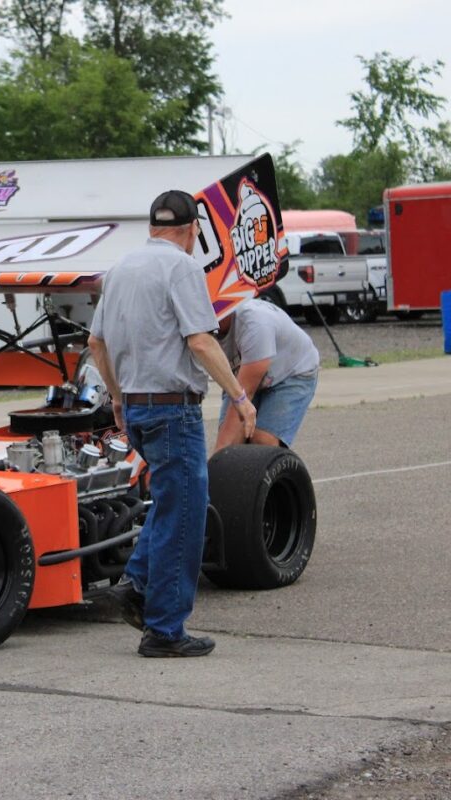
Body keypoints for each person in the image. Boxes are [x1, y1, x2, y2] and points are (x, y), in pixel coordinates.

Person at [87, 189, 257, 659]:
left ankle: (138, 584)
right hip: (172, 409)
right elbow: (200, 341)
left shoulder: (120, 270)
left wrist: (117, 397)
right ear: (192, 230)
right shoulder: (183, 268)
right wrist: (240, 397)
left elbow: (96, 343)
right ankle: (164, 630)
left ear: (152, 228)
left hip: (136, 407)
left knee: (169, 504)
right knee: (186, 515)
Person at [213, 298, 320, 452]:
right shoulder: (200, 332)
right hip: (244, 376)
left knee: (262, 442)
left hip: (292, 372)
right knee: (234, 444)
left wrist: (219, 455)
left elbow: (245, 393)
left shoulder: (255, 324)